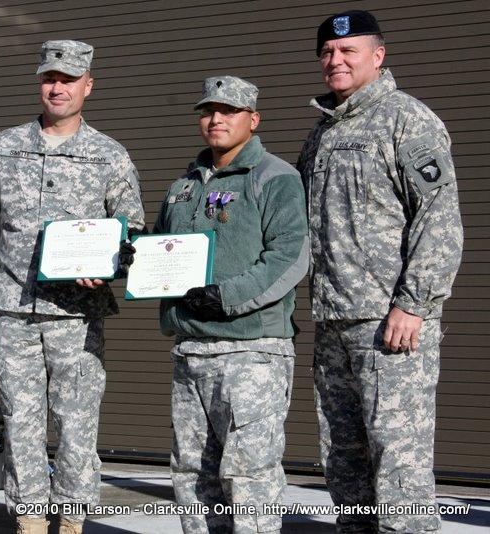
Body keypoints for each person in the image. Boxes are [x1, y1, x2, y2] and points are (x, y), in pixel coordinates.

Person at [297, 10, 464, 533]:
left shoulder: (407, 120)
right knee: (344, 461)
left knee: (399, 463)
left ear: (378, 55)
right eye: (327, 52)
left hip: (389, 324)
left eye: (348, 51)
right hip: (333, 322)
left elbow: (439, 219)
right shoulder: (320, 135)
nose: (336, 60)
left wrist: (413, 304)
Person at [0, 40, 145, 534]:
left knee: (76, 421)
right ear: (39, 83)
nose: (57, 88)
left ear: (88, 86)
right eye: (50, 78)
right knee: (22, 423)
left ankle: (71, 517)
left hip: (78, 311)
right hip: (15, 307)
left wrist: (110, 264)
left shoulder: (109, 155)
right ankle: (27, 517)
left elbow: (130, 226)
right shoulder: (5, 147)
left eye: (68, 80)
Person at [155, 76, 308, 533]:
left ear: (253, 119)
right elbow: (167, 251)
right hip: (190, 352)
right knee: (192, 478)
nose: (215, 119)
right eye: (207, 111)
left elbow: (290, 256)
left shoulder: (276, 178)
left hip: (251, 352)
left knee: (249, 480)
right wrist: (133, 253)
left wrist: (227, 297)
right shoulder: (184, 185)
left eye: (229, 111)